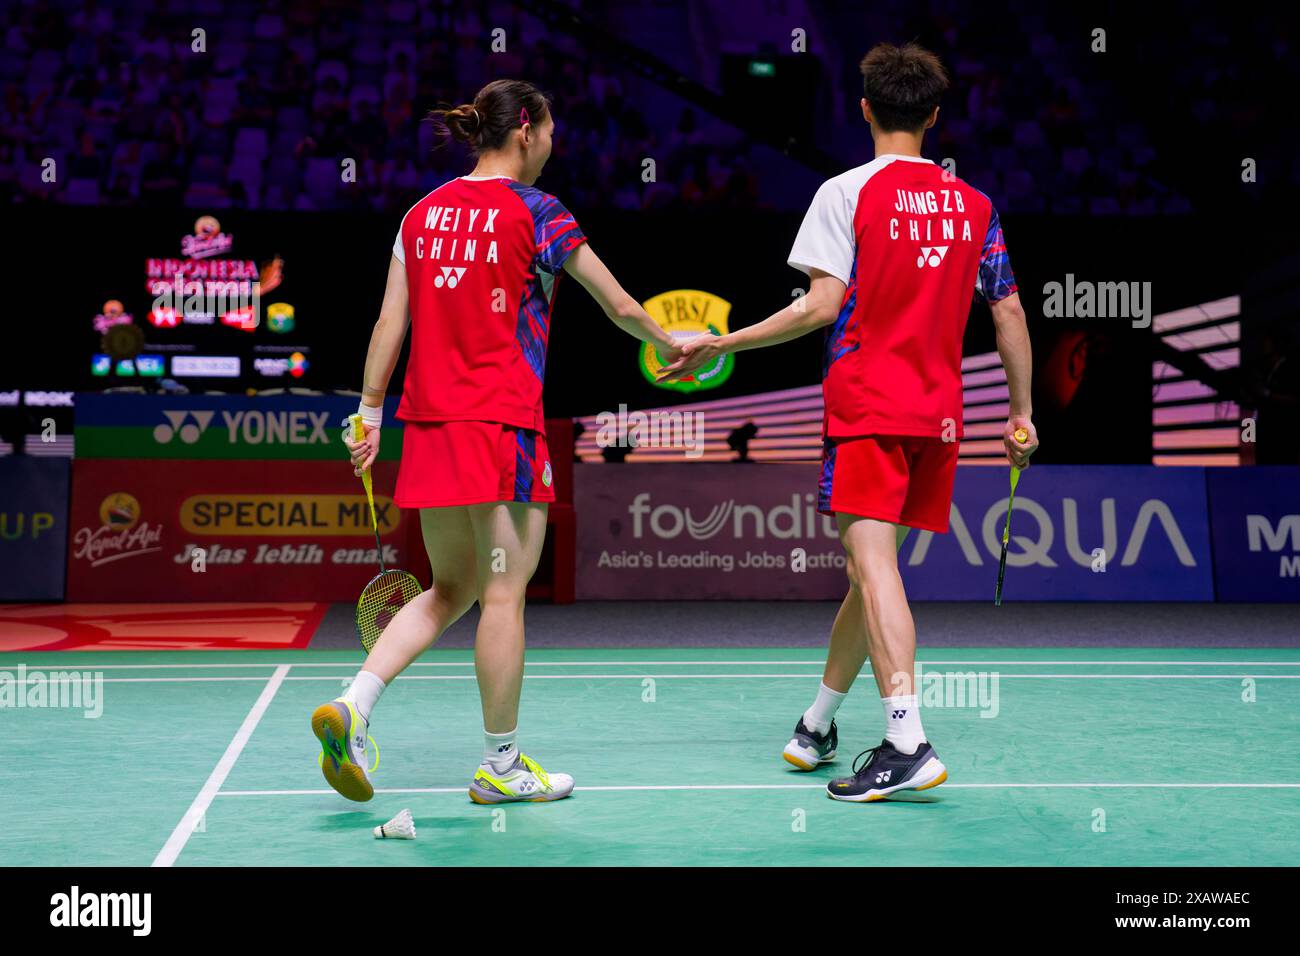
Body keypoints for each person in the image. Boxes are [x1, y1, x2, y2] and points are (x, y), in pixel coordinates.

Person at [661, 42, 1038, 802]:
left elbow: (820, 306)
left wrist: (722, 342)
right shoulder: (975, 205)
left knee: (873, 570)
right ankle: (818, 724)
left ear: (864, 108)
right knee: (873, 575)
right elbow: (1008, 312)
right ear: (933, 116)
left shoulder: (846, 192)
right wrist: (1022, 415)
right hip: (938, 417)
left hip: (867, 406)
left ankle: (907, 739)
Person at [312, 79, 681, 805]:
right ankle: (501, 766)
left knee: (451, 588)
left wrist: (368, 412)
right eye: (551, 131)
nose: (553, 143)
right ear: (527, 132)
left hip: (427, 424)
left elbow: (391, 323)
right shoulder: (539, 213)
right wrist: (674, 344)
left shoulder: (421, 214)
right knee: (505, 596)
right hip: (501, 426)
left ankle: (353, 707)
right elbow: (622, 305)